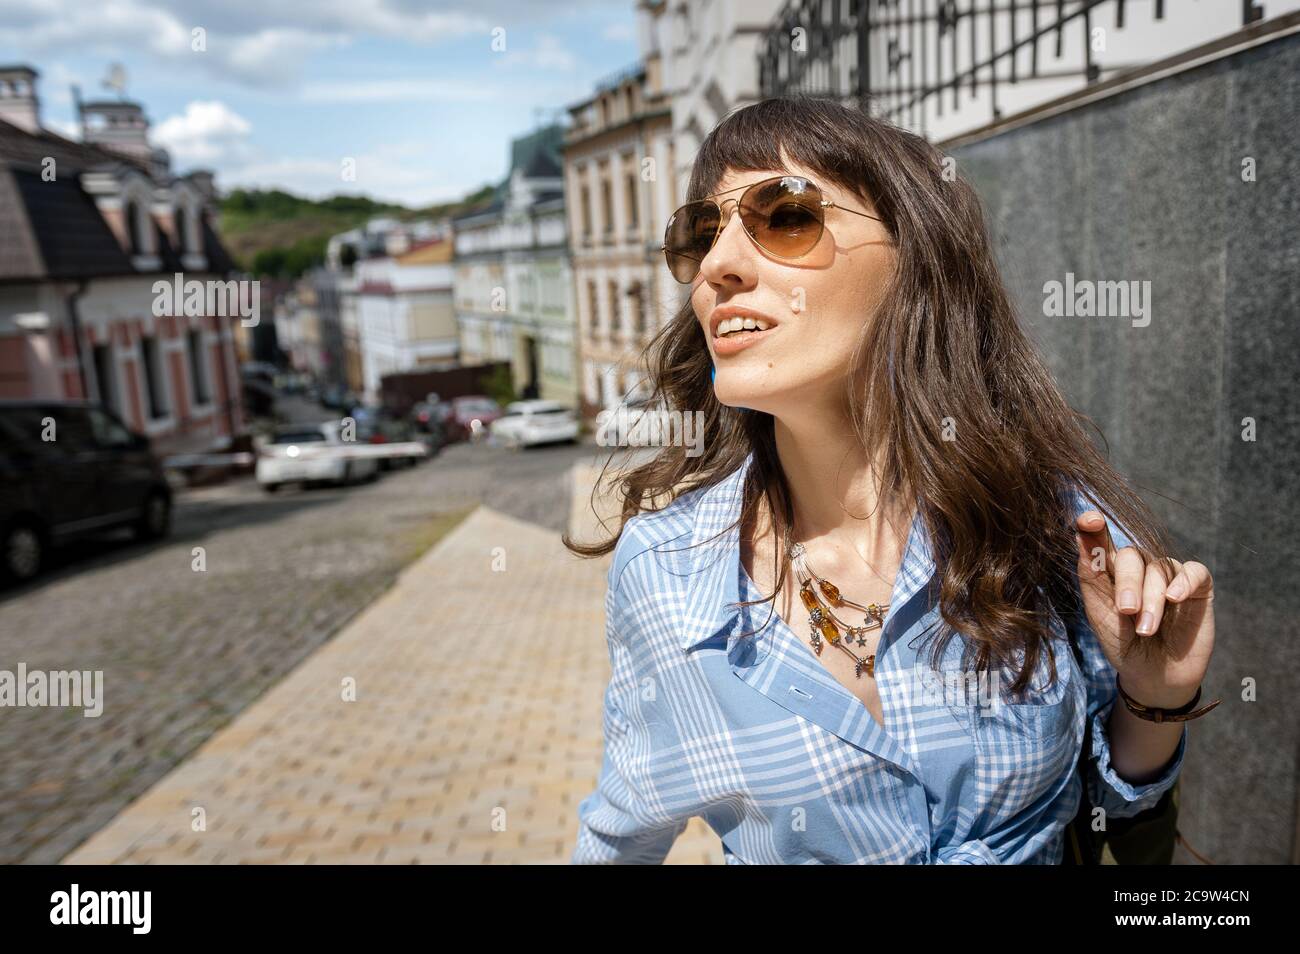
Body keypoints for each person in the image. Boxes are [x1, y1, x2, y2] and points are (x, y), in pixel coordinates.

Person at [563, 97, 1218, 865]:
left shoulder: (1044, 512)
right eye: (700, 235)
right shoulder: (666, 574)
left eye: (783, 215)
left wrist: (1156, 697)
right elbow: (617, 838)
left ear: (914, 257)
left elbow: (1117, 809)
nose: (715, 266)